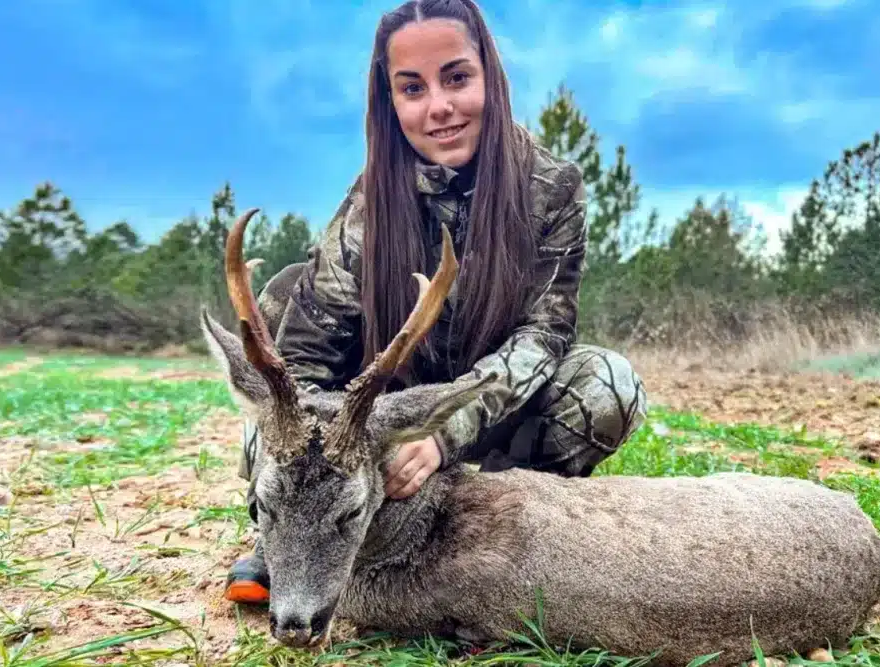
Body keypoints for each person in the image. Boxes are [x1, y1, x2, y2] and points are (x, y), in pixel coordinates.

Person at [224, 0, 649, 604]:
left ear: (489, 78)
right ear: (390, 103)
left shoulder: (551, 190)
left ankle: (502, 526)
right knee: (276, 310)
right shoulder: (372, 201)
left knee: (608, 385)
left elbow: (544, 336)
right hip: (374, 425)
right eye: (412, 88)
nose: (439, 107)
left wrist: (447, 432)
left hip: (486, 413)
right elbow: (307, 351)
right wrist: (325, 453)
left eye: (456, 78)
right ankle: (289, 536)